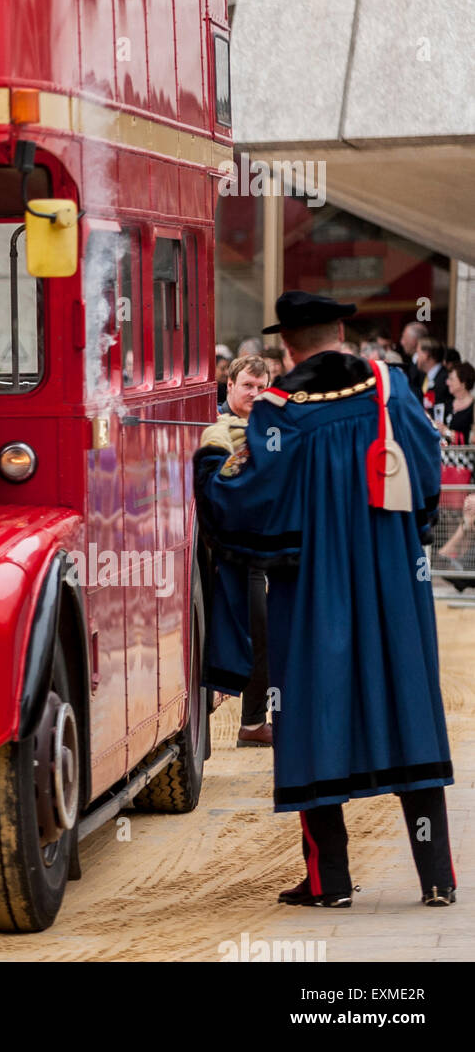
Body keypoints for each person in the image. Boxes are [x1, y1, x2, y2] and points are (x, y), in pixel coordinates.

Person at [195, 290, 455, 908]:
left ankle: (328, 881)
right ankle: (437, 878)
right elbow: (425, 480)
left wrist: (209, 463)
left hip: (313, 589)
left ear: (287, 345)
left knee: (311, 714)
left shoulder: (280, 409)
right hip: (392, 580)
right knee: (408, 703)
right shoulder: (390, 389)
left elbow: (250, 504)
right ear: (341, 330)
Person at [201, 355, 272, 747]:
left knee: (262, 633)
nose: (255, 394)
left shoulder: (269, 426)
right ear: (229, 385)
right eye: (248, 386)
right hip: (220, 551)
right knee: (237, 633)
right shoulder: (214, 425)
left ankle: (251, 722)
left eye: (262, 387)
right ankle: (217, 714)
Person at [401, 320, 428, 397]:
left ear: (414, 341)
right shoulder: (413, 363)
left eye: (404, 338)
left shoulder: (424, 365)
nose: (402, 342)